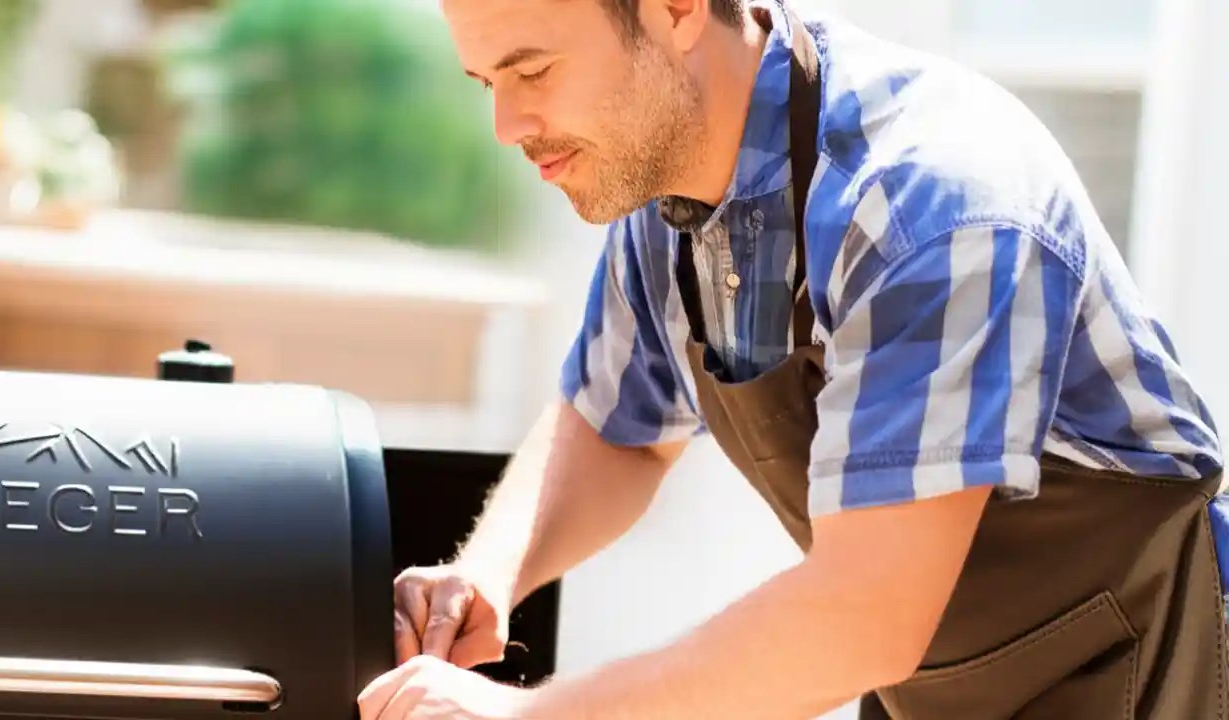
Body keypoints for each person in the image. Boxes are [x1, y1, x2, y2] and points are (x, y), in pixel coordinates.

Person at [357, 0, 1228, 717]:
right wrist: (486, 576)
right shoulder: (663, 195)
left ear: (675, 9)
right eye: (486, 82)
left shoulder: (932, 202)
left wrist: (526, 714)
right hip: (936, 689)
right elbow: (615, 426)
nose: (507, 125)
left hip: (1154, 678)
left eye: (533, 71)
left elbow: (862, 620)